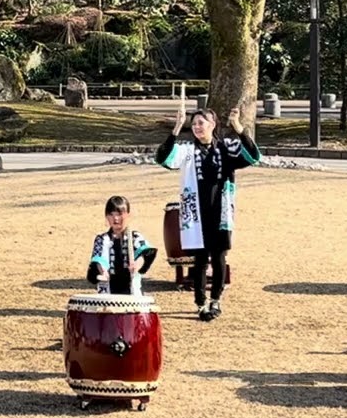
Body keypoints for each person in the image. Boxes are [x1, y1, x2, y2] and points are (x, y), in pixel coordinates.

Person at [155, 101, 261, 321]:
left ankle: (216, 300)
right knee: (201, 259)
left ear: (213, 125)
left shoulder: (227, 147)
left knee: (219, 256)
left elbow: (253, 156)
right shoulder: (187, 151)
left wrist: (238, 127)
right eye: (194, 123)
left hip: (220, 211)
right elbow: (163, 158)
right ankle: (201, 302)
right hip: (196, 213)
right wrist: (176, 128)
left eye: (202, 122)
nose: (197, 127)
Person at [86, 196, 158, 296]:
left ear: (128, 215)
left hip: (131, 287)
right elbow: (99, 257)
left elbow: (144, 253)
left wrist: (136, 265)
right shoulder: (102, 239)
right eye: (111, 214)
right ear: (107, 216)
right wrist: (102, 271)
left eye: (119, 214)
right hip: (108, 287)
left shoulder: (136, 237)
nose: (115, 218)